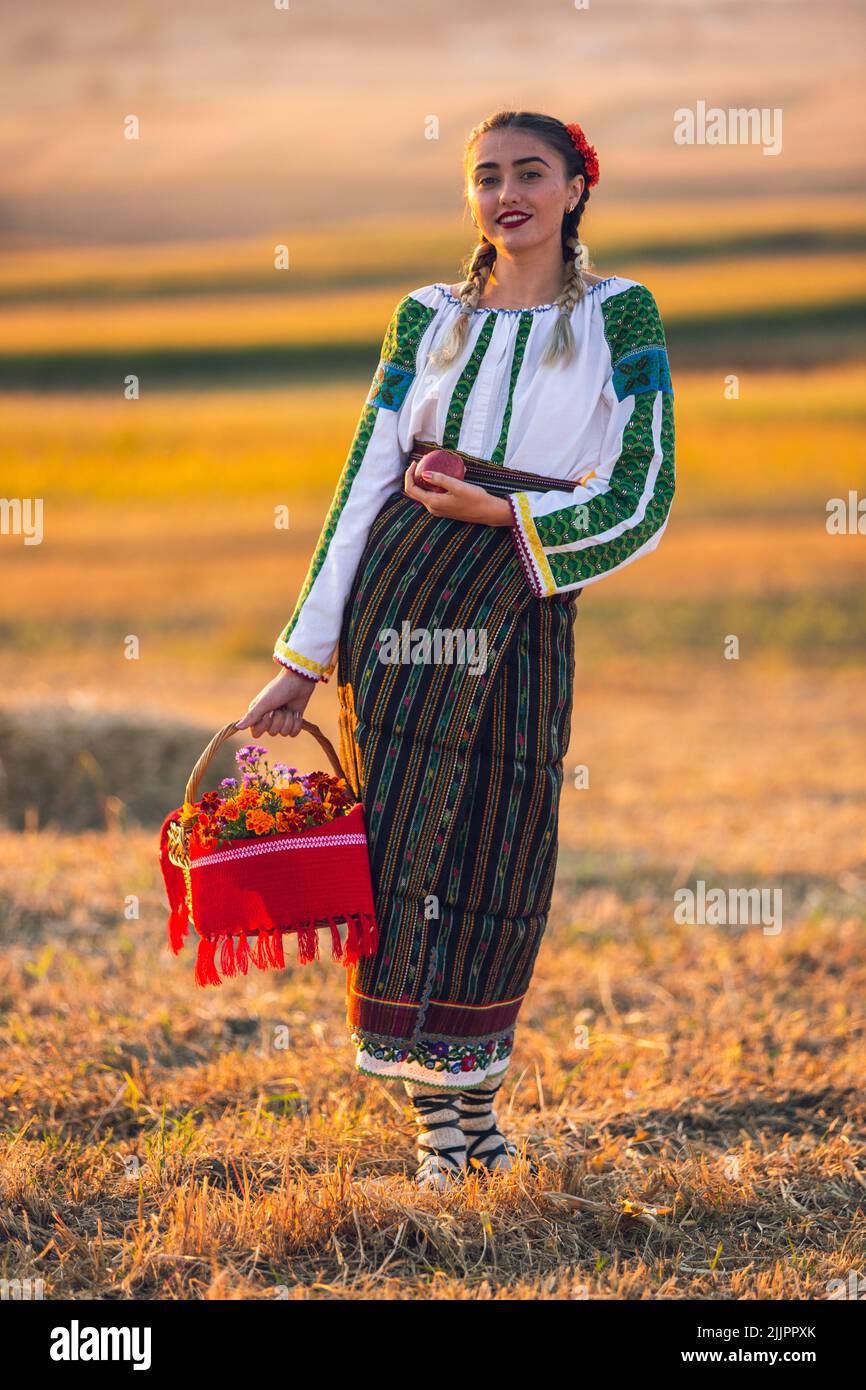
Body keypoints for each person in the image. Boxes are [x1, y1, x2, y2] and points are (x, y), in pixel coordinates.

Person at [235, 109, 676, 1191]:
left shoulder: (621, 314)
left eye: (531, 172)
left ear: (578, 185)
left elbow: (643, 485)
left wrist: (504, 518)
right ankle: (442, 1127)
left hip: (521, 586)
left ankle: (473, 1102)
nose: (505, 192)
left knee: (503, 837)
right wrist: (302, 656)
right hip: (403, 593)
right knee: (409, 842)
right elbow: (361, 484)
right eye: (484, 176)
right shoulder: (426, 318)